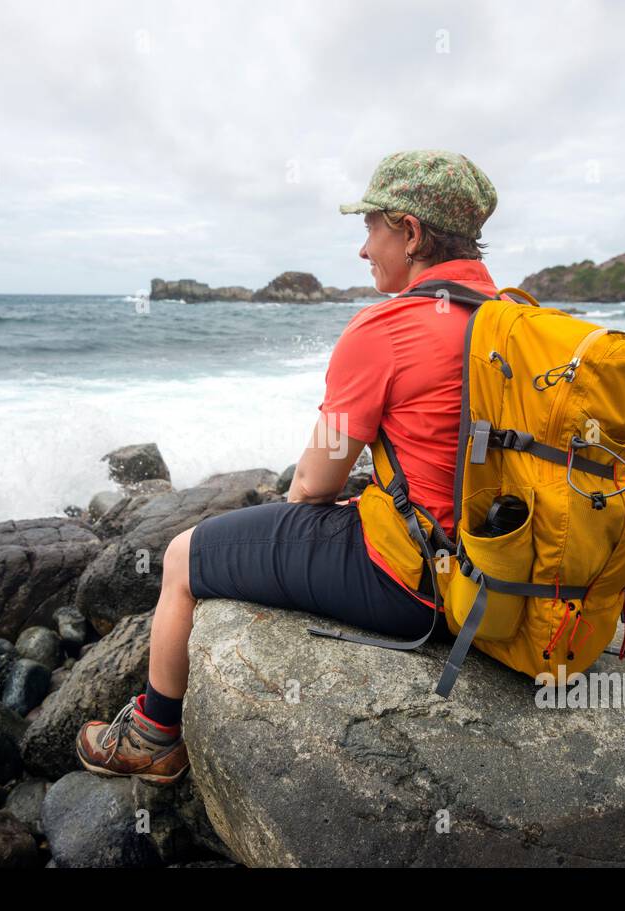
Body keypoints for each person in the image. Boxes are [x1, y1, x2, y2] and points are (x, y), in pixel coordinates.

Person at [76, 149, 501, 784]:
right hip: (501, 578)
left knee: (181, 557)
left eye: (370, 228)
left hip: (418, 588)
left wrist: (308, 517)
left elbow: (315, 482)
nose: (364, 250)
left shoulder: (385, 330)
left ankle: (154, 733)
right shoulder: (514, 320)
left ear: (410, 232)